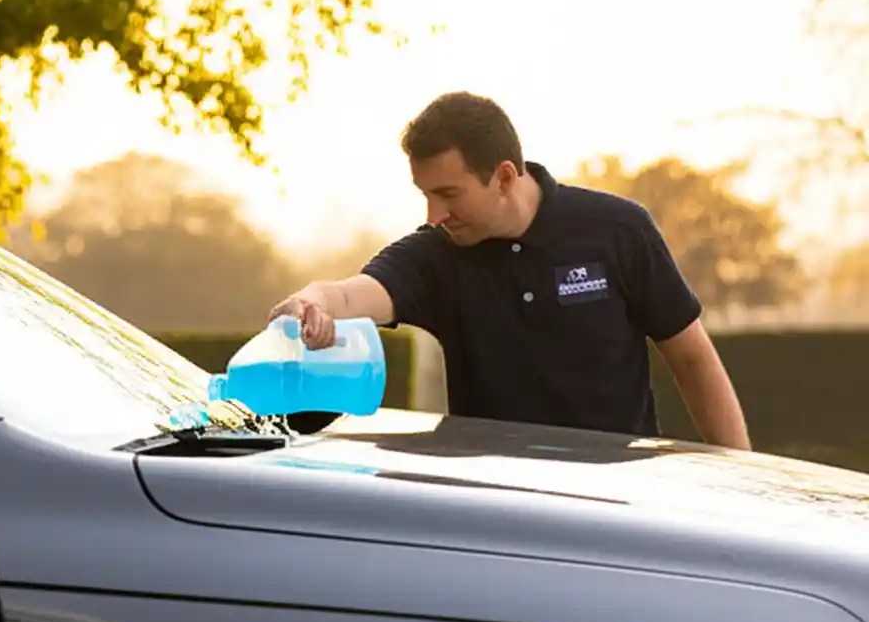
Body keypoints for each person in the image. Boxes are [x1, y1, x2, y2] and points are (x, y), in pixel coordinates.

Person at [269, 91, 751, 450]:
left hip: (622, 514)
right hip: (497, 525)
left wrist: (741, 473)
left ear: (503, 176)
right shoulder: (437, 255)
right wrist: (313, 301)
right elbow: (352, 295)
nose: (435, 214)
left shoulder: (619, 230)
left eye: (449, 194)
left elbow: (693, 360)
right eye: (426, 195)